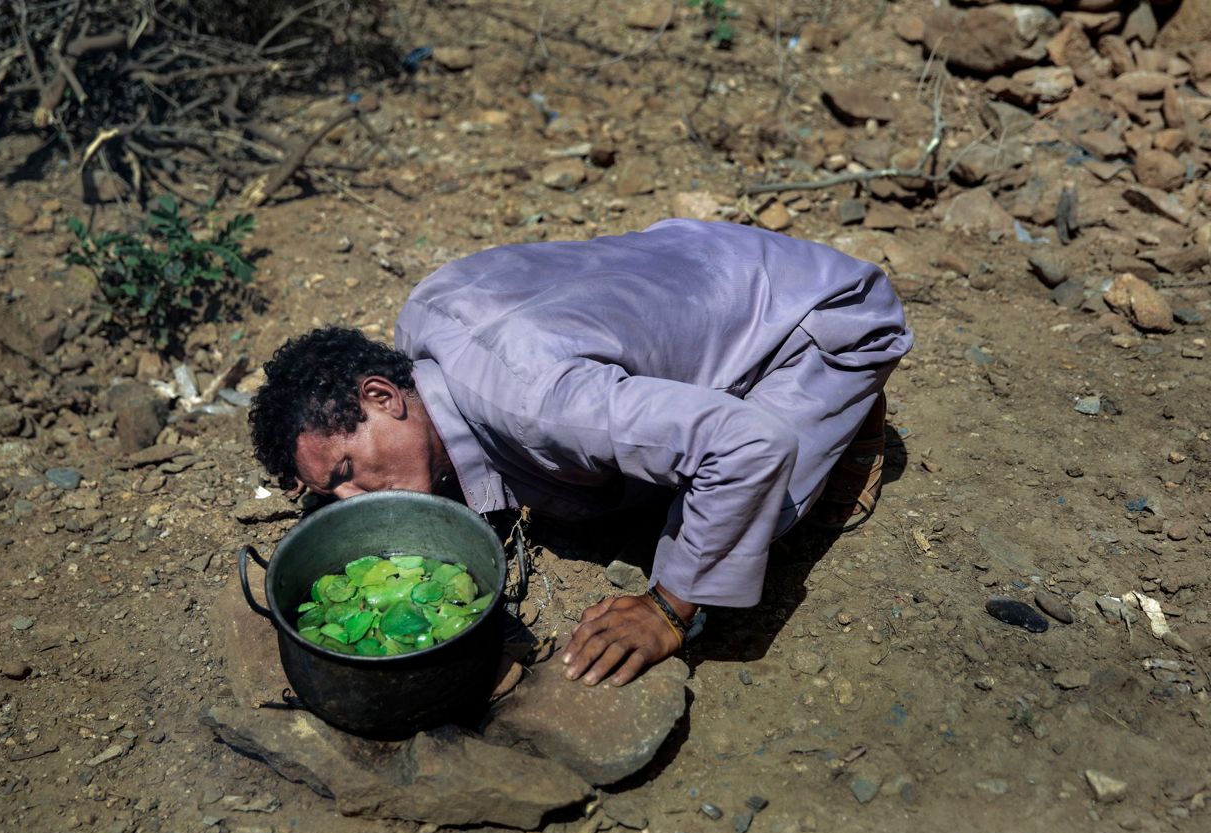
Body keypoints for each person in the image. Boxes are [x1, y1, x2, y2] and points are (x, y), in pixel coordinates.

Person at [249, 219, 913, 688]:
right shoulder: (420, 323)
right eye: (330, 493)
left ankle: (857, 415)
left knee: (760, 508)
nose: (354, 498)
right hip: (702, 261)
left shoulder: (538, 404)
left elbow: (748, 445)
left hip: (813, 311)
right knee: (596, 478)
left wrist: (668, 608)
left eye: (346, 472)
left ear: (381, 395)